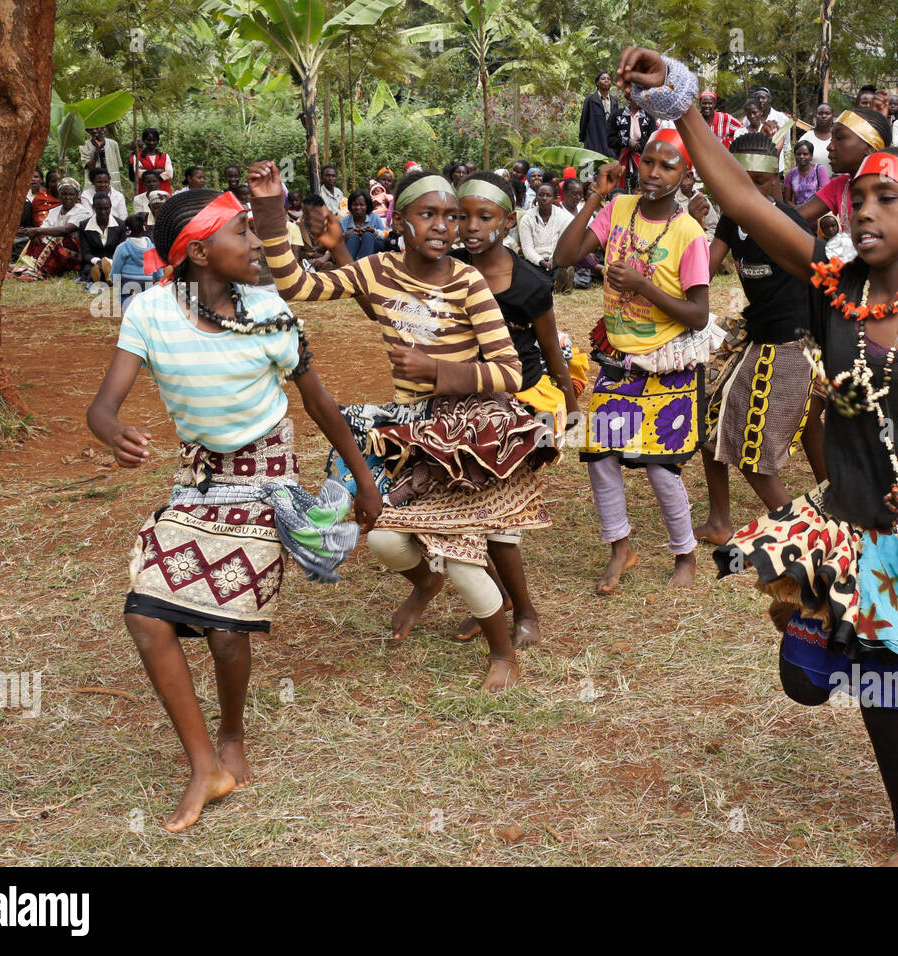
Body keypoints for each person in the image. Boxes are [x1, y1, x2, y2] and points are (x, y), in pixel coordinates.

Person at [615, 45, 898, 867]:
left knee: (885, 690)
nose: (862, 209)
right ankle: (836, 629)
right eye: (856, 195)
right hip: (849, 522)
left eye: (884, 197)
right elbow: (746, 204)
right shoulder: (834, 290)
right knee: (803, 680)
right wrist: (682, 101)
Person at [85, 188, 378, 833]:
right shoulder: (150, 313)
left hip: (266, 475)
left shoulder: (271, 312)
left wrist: (362, 478)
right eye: (242, 234)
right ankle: (206, 766)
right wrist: (111, 432)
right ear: (196, 253)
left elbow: (319, 404)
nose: (257, 245)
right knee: (146, 617)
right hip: (199, 477)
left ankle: (233, 733)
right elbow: (102, 406)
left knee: (226, 631)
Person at [251, 163, 557, 692]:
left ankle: (503, 651)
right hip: (412, 428)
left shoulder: (469, 282)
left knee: (465, 553)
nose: (444, 226)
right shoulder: (377, 270)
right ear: (401, 220)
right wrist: (272, 211)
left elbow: (509, 371)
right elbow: (297, 285)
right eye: (429, 214)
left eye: (451, 217)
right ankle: (426, 583)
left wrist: (438, 372)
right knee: (387, 542)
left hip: (471, 429)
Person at [553, 130, 711, 594]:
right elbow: (563, 258)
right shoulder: (617, 209)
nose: (655, 174)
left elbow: (699, 316)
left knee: (662, 467)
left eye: (668, 167)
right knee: (598, 453)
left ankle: (685, 553)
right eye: (648, 163)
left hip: (668, 365)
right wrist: (595, 197)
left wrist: (642, 285)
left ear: (684, 175)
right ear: (635, 165)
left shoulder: (689, 233)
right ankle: (620, 547)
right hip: (619, 362)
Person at [447, 171, 586, 645]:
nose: (469, 226)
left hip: (517, 406)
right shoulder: (448, 270)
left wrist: (571, 407)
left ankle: (524, 609)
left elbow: (550, 350)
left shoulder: (529, 283)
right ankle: (494, 599)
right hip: (461, 401)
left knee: (497, 516)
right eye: (461, 216)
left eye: (483, 217)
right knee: (463, 506)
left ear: (507, 221)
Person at [695, 132, 826, 546]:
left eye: (756, 182)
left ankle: (802, 537)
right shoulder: (736, 219)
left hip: (793, 344)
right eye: (739, 182)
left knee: (754, 453)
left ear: (775, 182)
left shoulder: (786, 222)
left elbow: (820, 285)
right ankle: (720, 522)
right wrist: (694, 227)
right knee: (709, 423)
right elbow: (703, 272)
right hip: (757, 337)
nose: (745, 191)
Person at [795, 107, 892, 264]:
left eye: (839, 138)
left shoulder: (894, 188)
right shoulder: (839, 186)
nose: (830, 146)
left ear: (869, 147)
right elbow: (793, 218)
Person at [11, 178, 90, 279]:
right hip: (58, 249)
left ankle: (38, 272)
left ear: (77, 196)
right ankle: (22, 269)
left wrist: (37, 230)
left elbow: (65, 230)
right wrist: (36, 233)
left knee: (56, 240)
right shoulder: (54, 211)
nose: (68, 197)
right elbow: (44, 228)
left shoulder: (82, 212)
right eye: (64, 194)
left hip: (75, 253)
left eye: (71, 194)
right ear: (59, 196)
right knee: (36, 239)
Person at [518, 182, 576, 291]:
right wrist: (541, 262)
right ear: (536, 197)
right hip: (535, 262)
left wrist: (552, 260)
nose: (544, 198)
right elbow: (527, 248)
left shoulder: (563, 217)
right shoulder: (527, 218)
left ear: (554, 198)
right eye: (541, 195)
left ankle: (560, 281)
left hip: (555, 260)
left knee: (559, 269)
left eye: (548, 195)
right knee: (529, 276)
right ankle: (558, 284)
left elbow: (562, 244)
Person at [110, 214, 162, 311]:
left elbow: (117, 266)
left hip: (128, 279)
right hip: (147, 278)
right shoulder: (151, 247)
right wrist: (158, 277)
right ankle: (144, 314)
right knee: (146, 299)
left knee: (124, 296)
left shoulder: (123, 247)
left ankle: (128, 313)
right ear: (144, 228)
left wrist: (114, 278)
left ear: (127, 229)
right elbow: (157, 265)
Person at [609, 99, 658, 192]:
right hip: (622, 160)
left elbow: (654, 139)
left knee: (641, 186)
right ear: (631, 97)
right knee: (623, 189)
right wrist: (627, 142)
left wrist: (639, 145)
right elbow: (610, 140)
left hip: (643, 160)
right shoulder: (617, 115)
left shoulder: (648, 116)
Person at [79, 192, 126, 285]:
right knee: (90, 271)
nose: (103, 212)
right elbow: (86, 253)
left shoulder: (121, 225)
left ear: (110, 207)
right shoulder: (84, 226)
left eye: (106, 208)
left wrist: (109, 262)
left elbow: (122, 250)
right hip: (94, 263)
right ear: (94, 208)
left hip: (115, 262)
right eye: (99, 209)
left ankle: (106, 276)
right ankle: (106, 277)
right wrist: (99, 262)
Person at [340, 189, 387, 260]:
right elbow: (336, 242)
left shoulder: (375, 218)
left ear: (367, 206)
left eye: (362, 205)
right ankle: (349, 267)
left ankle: (362, 266)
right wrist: (348, 234)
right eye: (355, 204)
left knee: (368, 235)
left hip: (374, 253)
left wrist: (373, 231)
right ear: (350, 205)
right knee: (353, 237)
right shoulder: (344, 221)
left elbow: (384, 237)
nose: (358, 207)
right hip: (351, 251)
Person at [580, 71, 618, 155]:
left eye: (608, 79)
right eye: (603, 78)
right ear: (597, 83)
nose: (606, 80)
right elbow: (584, 120)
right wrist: (584, 138)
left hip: (609, 144)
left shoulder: (614, 101)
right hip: (594, 141)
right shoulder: (591, 99)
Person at [784, 139, 830, 206]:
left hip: (818, 211)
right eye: (798, 154)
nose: (801, 157)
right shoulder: (791, 174)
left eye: (805, 154)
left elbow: (824, 196)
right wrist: (798, 212)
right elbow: (787, 200)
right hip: (797, 212)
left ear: (811, 156)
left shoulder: (820, 170)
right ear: (794, 155)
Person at [128, 127, 173, 195]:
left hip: (164, 190)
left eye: (154, 140)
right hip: (145, 191)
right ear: (144, 140)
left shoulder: (165, 156)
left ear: (157, 141)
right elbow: (139, 173)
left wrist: (147, 172)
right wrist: (159, 171)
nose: (151, 143)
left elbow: (169, 174)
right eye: (148, 140)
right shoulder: (137, 157)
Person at [800, 103, 835, 174]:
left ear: (832, 116)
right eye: (820, 113)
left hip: (835, 181)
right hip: (811, 182)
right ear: (815, 116)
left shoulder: (838, 137)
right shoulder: (807, 138)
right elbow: (799, 164)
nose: (824, 116)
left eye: (827, 113)